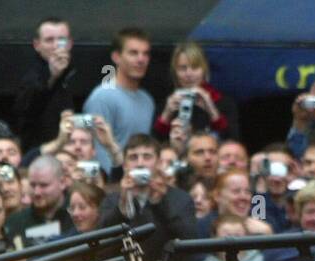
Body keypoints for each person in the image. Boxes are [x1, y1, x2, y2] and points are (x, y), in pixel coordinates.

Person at [97, 133, 198, 261]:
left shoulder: (180, 199)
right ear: (125, 165)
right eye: (133, 158)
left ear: (158, 163)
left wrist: (161, 203)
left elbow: (188, 240)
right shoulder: (112, 200)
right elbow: (102, 244)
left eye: (147, 157)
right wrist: (122, 206)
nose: (140, 164)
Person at [82, 28, 154, 171]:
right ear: (116, 57)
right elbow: (97, 151)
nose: (141, 59)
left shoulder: (147, 100)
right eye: (133, 53)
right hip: (111, 184)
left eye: (145, 54)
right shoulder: (102, 97)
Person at [152, 43, 238, 143]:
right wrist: (166, 115)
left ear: (204, 69)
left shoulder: (224, 102)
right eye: (183, 68)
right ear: (175, 72)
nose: (189, 74)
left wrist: (212, 110)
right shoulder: (168, 104)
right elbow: (155, 146)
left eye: (195, 67)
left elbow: (233, 143)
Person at [14, 17, 77, 151]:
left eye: (61, 40)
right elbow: (25, 115)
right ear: (37, 45)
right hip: (39, 155)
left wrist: (90, 121)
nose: (56, 46)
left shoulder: (76, 75)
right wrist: (52, 76)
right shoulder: (29, 78)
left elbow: (79, 121)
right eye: (49, 40)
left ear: (70, 44)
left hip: (71, 153)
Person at [5, 154, 74, 247]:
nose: (37, 192)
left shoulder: (78, 215)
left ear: (62, 182)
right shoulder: (15, 222)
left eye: (44, 185)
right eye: (32, 185)